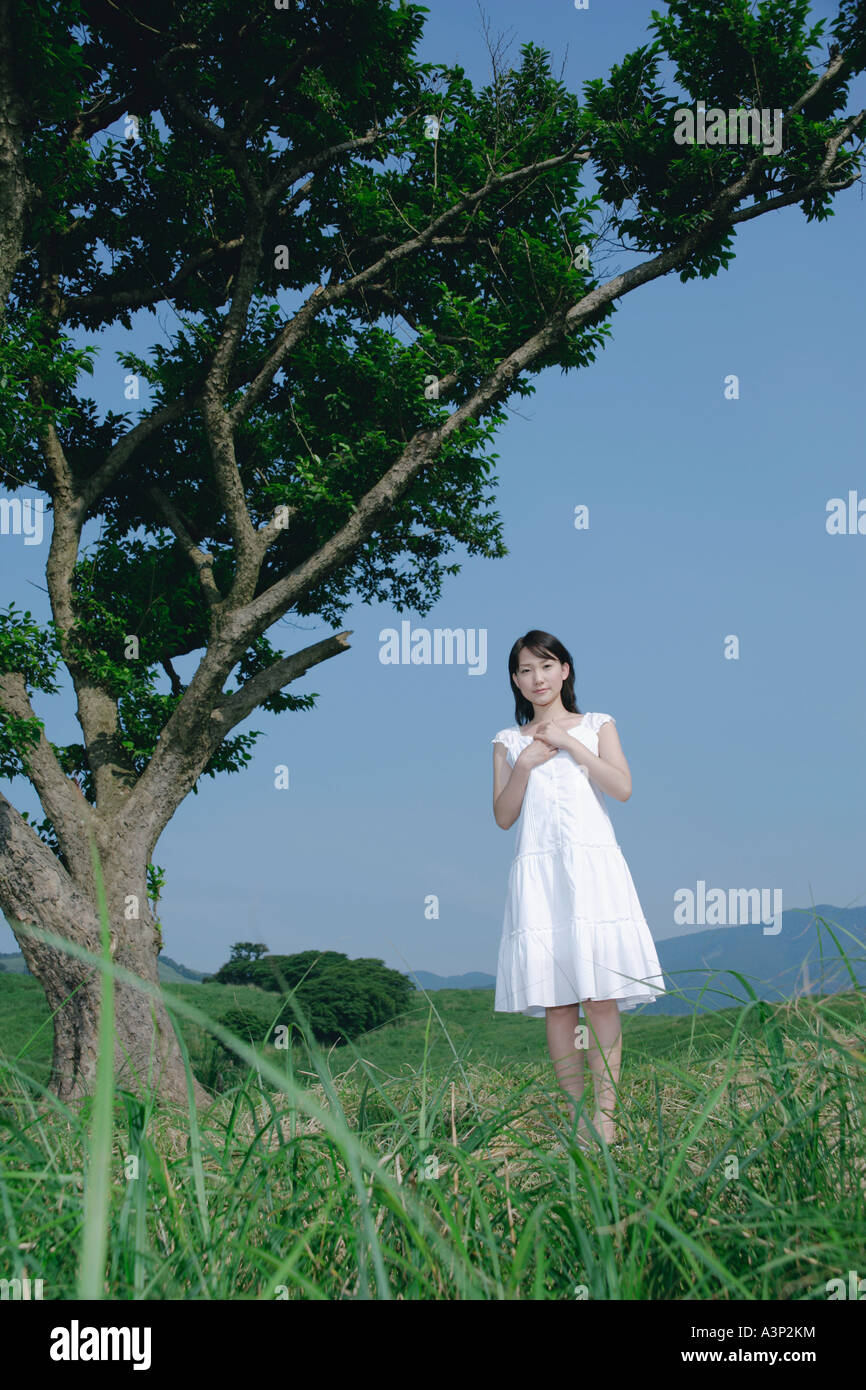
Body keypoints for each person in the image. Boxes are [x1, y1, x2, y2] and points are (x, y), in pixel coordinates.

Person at [491, 629, 666, 1147]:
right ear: (516, 682)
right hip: (539, 872)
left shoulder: (597, 725)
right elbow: (503, 816)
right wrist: (522, 764)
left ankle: (605, 1118)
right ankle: (573, 1118)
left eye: (545, 666)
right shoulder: (507, 741)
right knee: (557, 1001)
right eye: (524, 670)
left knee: (601, 994)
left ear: (564, 670)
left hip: (593, 869)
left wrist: (567, 744)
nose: (535, 678)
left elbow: (622, 787)